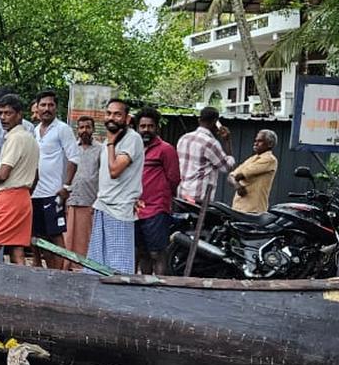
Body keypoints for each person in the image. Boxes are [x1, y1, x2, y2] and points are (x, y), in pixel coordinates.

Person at [0, 94, 39, 264]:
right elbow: (37, 176)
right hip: (24, 198)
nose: (3, 118)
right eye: (0, 113)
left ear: (19, 114)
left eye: (8, 113)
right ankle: (20, 288)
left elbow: (3, 173)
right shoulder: (31, 139)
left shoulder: (15, 138)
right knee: (17, 248)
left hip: (8, 198)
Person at [88, 99, 144, 275]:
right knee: (97, 265)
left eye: (117, 114)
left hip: (120, 211)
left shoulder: (132, 139)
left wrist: (111, 143)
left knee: (118, 267)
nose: (111, 118)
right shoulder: (109, 140)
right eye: (109, 113)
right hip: (103, 206)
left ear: (127, 119)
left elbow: (114, 171)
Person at [29, 90, 77, 269]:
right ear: (37, 108)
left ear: (56, 107)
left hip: (54, 193)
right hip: (35, 193)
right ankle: (45, 272)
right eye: (43, 105)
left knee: (56, 236)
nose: (47, 108)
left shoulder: (63, 129)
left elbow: (74, 159)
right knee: (38, 236)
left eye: (50, 105)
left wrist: (66, 186)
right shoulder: (34, 131)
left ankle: (61, 274)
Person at [132, 108, 180, 275]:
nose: (146, 130)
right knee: (141, 252)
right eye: (143, 126)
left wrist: (161, 197)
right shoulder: (134, 148)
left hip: (157, 209)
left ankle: (160, 288)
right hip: (136, 210)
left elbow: (174, 179)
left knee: (157, 253)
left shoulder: (166, 150)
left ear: (157, 128)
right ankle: (144, 288)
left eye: (150, 126)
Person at [177, 106, 234, 203]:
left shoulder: (184, 138)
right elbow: (227, 167)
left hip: (182, 194)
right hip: (199, 199)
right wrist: (227, 141)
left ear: (199, 120)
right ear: (216, 122)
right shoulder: (211, 143)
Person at [65, 117, 102, 262]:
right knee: (69, 236)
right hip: (72, 199)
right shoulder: (71, 148)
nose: (84, 131)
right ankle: (68, 264)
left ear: (93, 129)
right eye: (81, 128)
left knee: (85, 237)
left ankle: (84, 266)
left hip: (90, 200)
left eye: (88, 127)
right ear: (77, 130)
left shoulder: (100, 149)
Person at [229, 129, 279, 213]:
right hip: (238, 207)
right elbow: (230, 177)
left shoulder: (269, 159)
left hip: (253, 210)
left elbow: (238, 176)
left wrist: (236, 181)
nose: (255, 143)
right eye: (255, 141)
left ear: (270, 144)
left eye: (260, 141)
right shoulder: (252, 159)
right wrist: (238, 186)